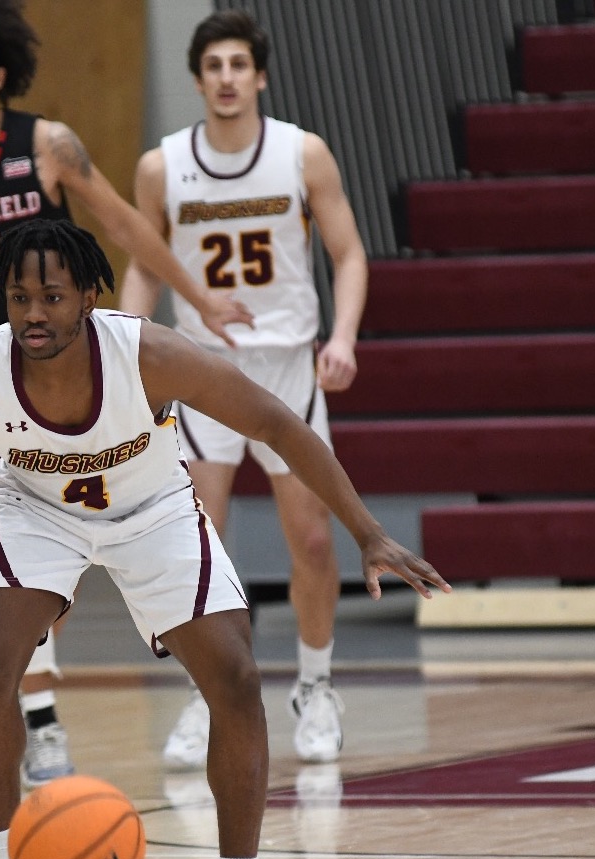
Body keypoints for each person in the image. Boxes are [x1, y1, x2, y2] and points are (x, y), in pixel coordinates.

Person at [0, 220, 446, 859]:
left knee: (237, 678)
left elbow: (277, 423)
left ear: (89, 294)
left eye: (52, 296)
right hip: (34, 511)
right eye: (20, 297)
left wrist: (368, 532)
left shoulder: (148, 353)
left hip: (152, 509)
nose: (34, 314)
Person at [0, 0, 257, 790]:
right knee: (16, 553)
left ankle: (180, 651)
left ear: (0, 73)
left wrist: (193, 293)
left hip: (77, 373)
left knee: (103, 526)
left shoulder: (46, 145)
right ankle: (43, 718)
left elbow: (127, 227)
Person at [117, 11, 371, 770]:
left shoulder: (303, 154)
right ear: (197, 80)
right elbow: (140, 262)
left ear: (258, 76)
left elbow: (349, 254)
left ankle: (317, 688)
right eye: (214, 66)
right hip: (203, 373)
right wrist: (127, 345)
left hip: (290, 368)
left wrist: (345, 338)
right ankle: (208, 696)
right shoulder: (161, 167)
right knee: (198, 548)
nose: (227, 78)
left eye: (239, 65)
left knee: (314, 540)